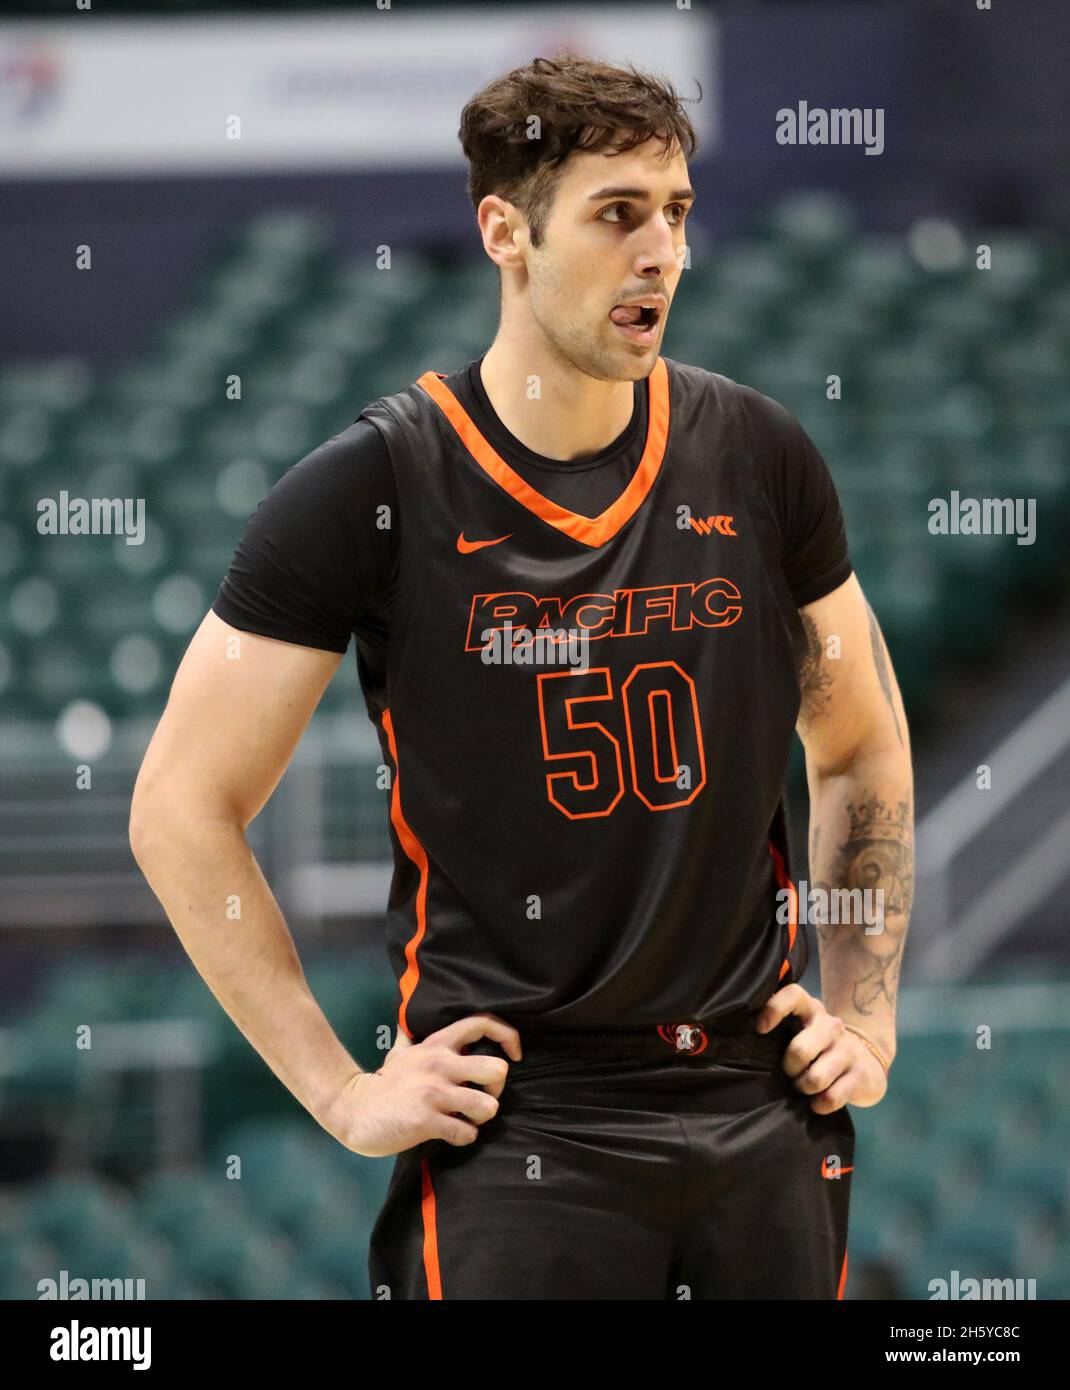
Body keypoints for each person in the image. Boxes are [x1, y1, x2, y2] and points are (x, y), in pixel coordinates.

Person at [130, 53, 914, 1300]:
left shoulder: (760, 458)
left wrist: (863, 1013)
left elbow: (859, 744)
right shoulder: (371, 487)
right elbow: (177, 804)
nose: (661, 250)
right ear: (503, 230)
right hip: (519, 1117)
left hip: (754, 1097)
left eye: (677, 211)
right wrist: (341, 1088)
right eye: (617, 214)